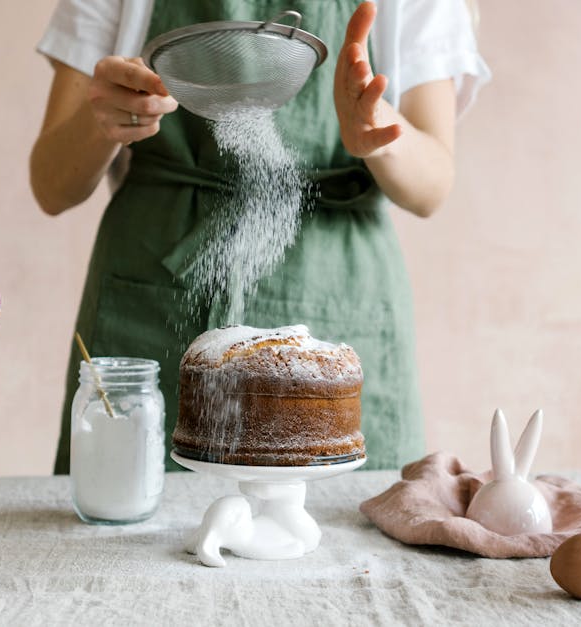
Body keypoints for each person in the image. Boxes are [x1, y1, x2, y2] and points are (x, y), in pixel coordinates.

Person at [30, 1, 489, 474]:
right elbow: (51, 185)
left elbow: (432, 187)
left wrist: (377, 130)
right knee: (122, 528)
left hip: (337, 286)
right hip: (152, 293)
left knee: (345, 532)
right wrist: (102, 119)